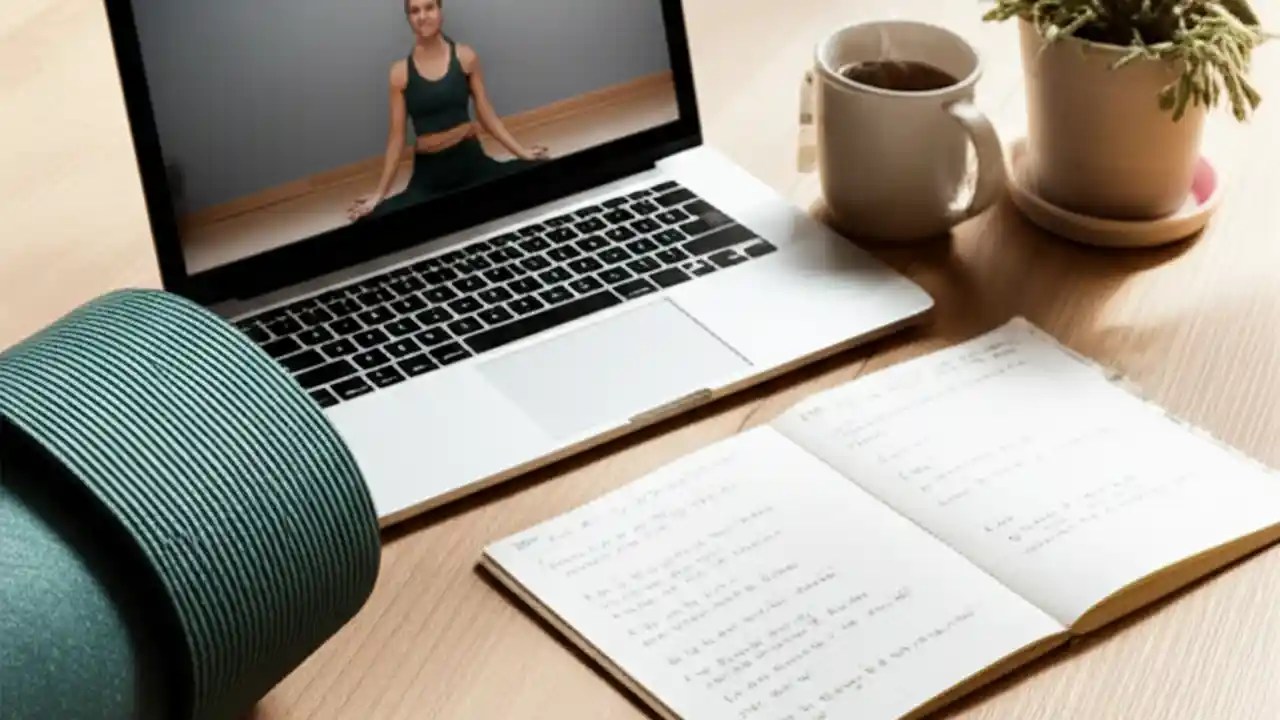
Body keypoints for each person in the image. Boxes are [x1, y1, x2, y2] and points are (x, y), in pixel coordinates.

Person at [348, 0, 549, 221]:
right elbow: (396, 138)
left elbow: (487, 115)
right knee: (375, 223)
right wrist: (379, 195)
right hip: (429, 177)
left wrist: (522, 153)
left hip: (472, 163)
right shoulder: (399, 73)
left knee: (540, 177)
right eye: (415, 11)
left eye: (429, 7)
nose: (423, 16)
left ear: (439, 11)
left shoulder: (465, 57)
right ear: (408, 19)